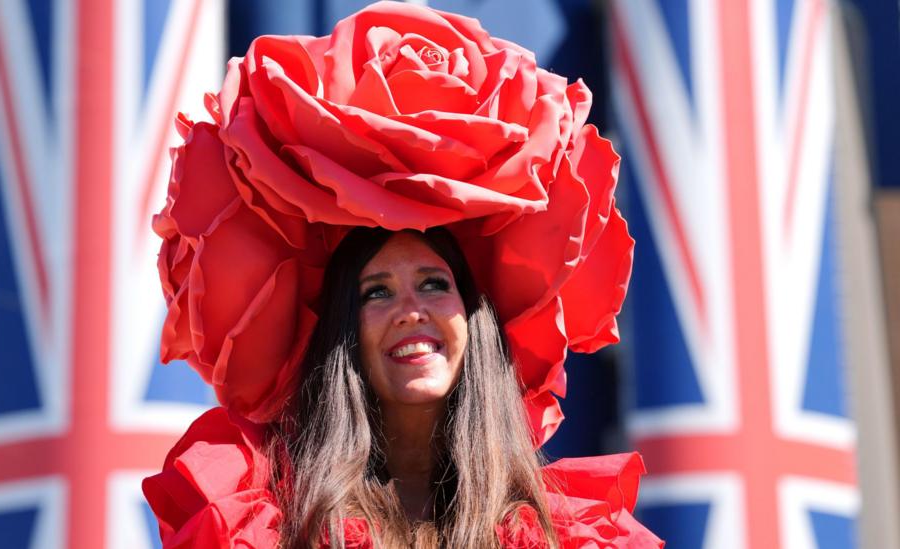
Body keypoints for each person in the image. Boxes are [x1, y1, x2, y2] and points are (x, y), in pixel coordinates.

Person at [143, 2, 663, 547]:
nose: (410, 308)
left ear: (476, 320)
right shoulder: (262, 528)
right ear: (341, 333)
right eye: (377, 292)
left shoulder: (571, 537)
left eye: (435, 283)